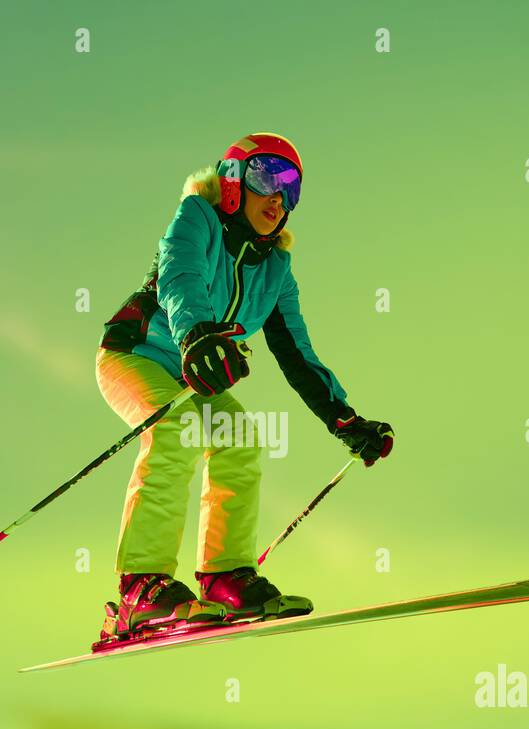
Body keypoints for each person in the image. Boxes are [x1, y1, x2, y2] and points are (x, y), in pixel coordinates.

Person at [94, 132, 394, 641]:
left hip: (195, 372)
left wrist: (343, 418)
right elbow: (179, 274)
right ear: (232, 182)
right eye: (266, 177)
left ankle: (224, 578)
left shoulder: (275, 268)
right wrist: (196, 334)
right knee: (177, 432)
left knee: (240, 439)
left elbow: (296, 352)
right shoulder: (198, 218)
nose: (278, 198)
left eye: (290, 189)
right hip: (137, 354)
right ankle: (139, 591)